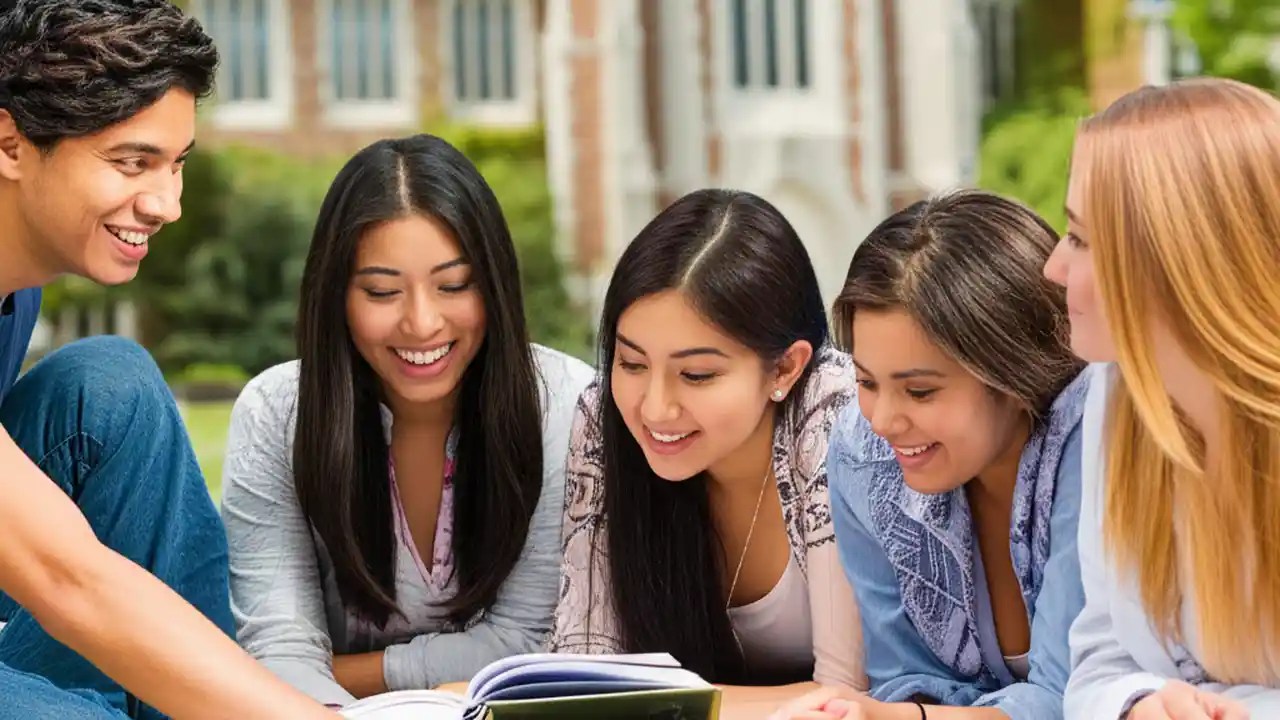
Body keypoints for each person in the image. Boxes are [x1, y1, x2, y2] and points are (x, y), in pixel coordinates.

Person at [0, 0, 336, 717]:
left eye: (175, 164)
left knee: (110, 386)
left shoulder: (18, 288)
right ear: (10, 143)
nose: (167, 203)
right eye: (132, 163)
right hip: (46, 572)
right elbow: (66, 578)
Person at [220, 134, 594, 707]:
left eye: (453, 286)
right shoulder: (276, 414)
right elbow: (281, 648)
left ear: (493, 284)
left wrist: (357, 671)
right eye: (382, 291)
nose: (422, 323)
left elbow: (526, 642)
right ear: (336, 296)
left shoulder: (566, 406)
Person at [773, 190, 1088, 720]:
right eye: (867, 382)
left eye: (920, 391)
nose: (883, 420)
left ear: (1010, 374)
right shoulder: (860, 454)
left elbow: (1071, 697)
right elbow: (904, 678)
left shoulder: (1088, 438)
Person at [550, 188, 866, 714]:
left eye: (696, 374)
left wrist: (660, 702)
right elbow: (585, 673)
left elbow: (842, 701)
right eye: (631, 364)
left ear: (786, 368)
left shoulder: (832, 409)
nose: (654, 408)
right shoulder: (604, 417)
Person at [1046, 78, 1280, 720]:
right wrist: (1136, 704)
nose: (1053, 269)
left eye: (1082, 239)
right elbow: (1098, 659)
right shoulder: (1115, 397)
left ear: (1177, 261)